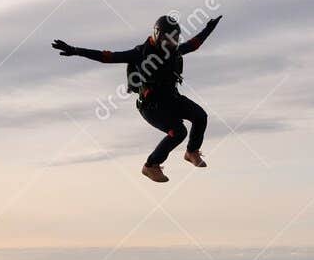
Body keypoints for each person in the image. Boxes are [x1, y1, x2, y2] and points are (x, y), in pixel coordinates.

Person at [52, 13, 223, 182]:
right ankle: (150, 166)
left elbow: (194, 44)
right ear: (157, 36)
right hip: (151, 107)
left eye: (175, 39)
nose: (172, 43)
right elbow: (107, 57)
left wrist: (209, 28)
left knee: (200, 116)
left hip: (172, 99)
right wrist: (75, 51)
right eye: (168, 39)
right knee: (179, 132)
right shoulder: (140, 53)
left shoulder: (173, 51)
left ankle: (191, 152)